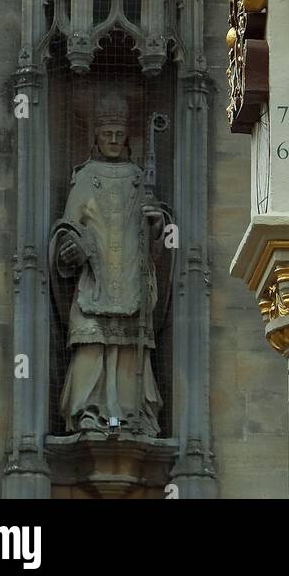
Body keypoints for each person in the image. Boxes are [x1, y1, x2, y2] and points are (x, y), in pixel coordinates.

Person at [49, 98, 171, 436]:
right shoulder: (86, 177)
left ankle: (128, 415)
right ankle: (88, 411)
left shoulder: (138, 178)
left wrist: (158, 222)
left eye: (119, 133)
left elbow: (160, 231)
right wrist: (70, 248)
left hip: (132, 276)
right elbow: (68, 226)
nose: (114, 139)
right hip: (96, 278)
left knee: (130, 349)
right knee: (92, 345)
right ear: (97, 137)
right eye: (107, 134)